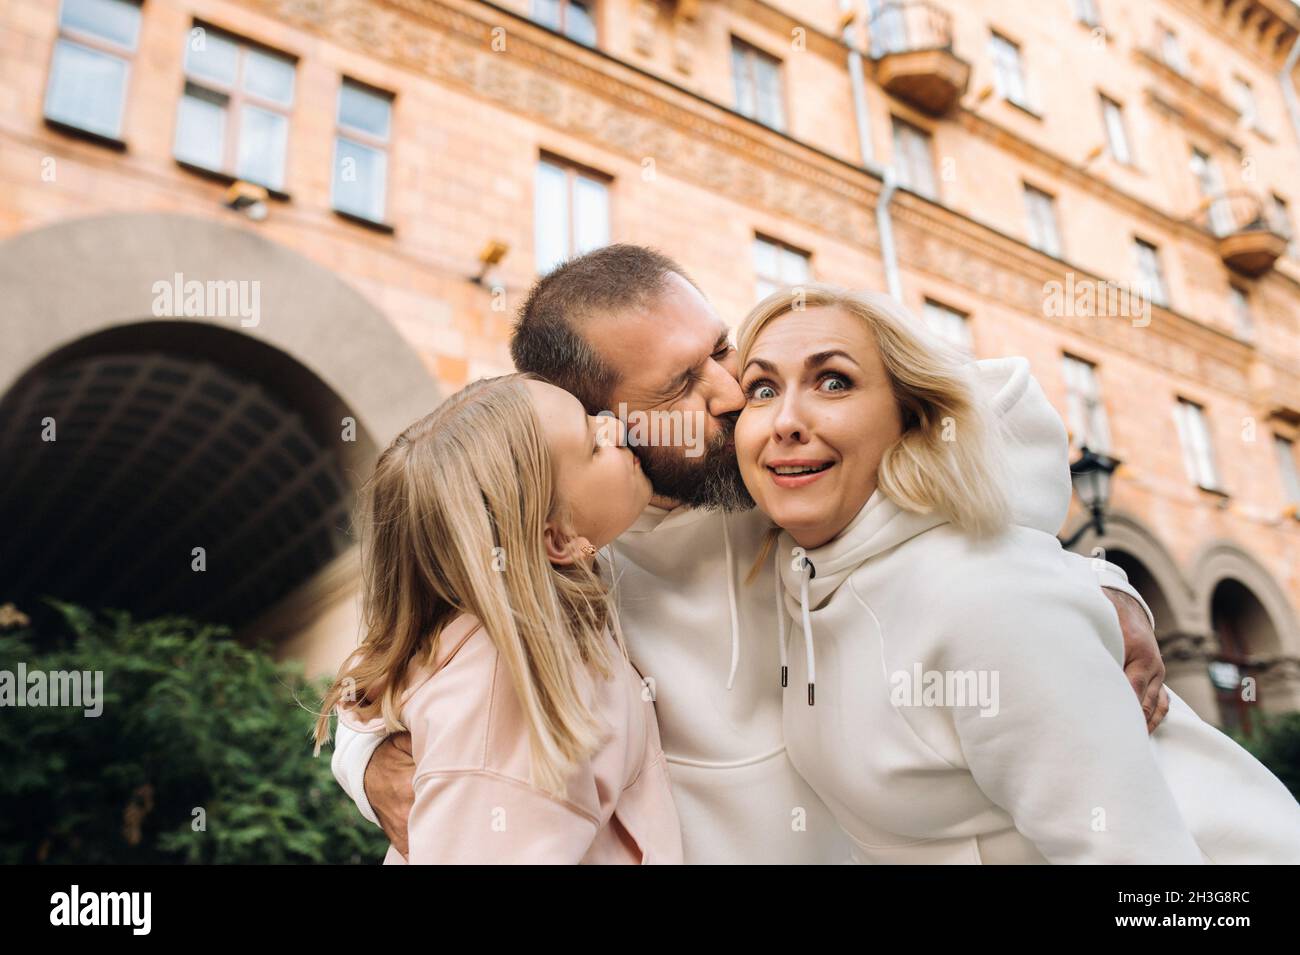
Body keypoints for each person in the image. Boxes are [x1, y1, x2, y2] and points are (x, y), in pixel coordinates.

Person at [331, 245, 1169, 864]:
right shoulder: (557, 549)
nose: (738, 396)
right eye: (682, 385)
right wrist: (375, 768)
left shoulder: (794, 464)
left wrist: (1099, 584)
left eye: (721, 351)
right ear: (596, 419)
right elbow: (395, 677)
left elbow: (985, 439)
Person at [734, 284, 1300, 863]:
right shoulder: (800, 578)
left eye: (834, 382)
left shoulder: (984, 598)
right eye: (761, 388)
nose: (786, 421)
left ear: (913, 416)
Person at [314, 375, 682, 863]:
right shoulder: (505, 686)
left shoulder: (523, 638)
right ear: (558, 539)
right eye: (594, 443)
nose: (614, 426)